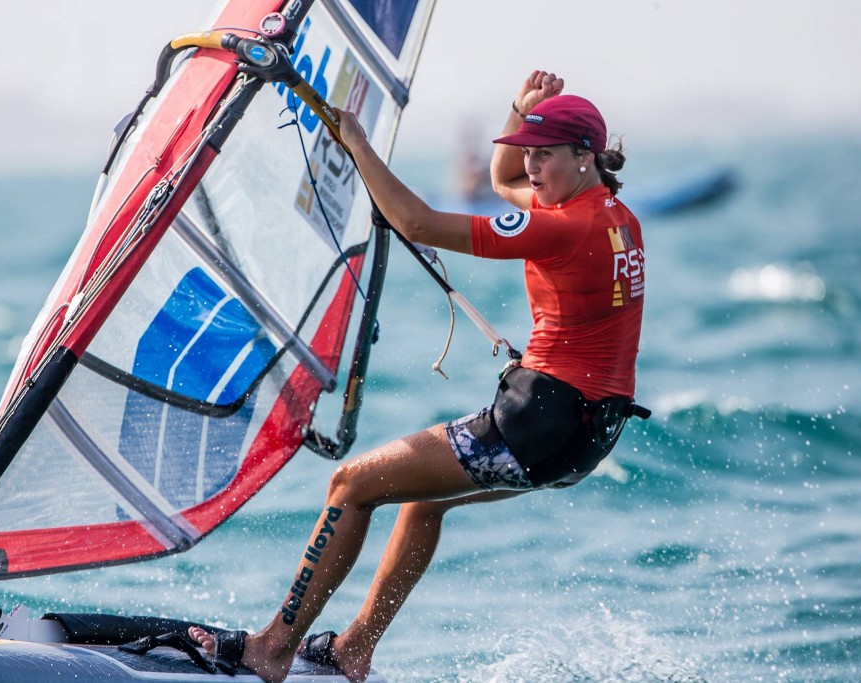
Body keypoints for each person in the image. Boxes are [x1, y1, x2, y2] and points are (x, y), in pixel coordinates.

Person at [189, 70, 647, 683]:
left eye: (546, 156)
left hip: (538, 422)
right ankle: (353, 648)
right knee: (423, 501)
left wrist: (357, 145)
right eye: (530, 152)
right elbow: (505, 179)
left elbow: (420, 224)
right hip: (588, 436)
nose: (531, 168)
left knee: (351, 484)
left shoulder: (562, 226)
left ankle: (271, 648)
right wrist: (520, 111)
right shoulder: (613, 216)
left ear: (585, 157)